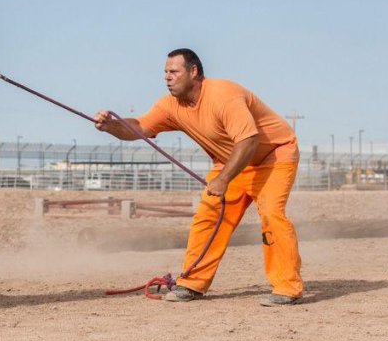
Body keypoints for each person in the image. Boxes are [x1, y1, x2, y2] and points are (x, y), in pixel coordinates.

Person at [95, 48, 304, 306]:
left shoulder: (224, 96)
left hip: (273, 155)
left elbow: (248, 140)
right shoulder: (170, 105)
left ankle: (287, 287)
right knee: (208, 215)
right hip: (232, 161)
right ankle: (192, 283)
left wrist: (223, 179)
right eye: (165, 73)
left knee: (272, 214)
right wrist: (111, 127)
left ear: (193, 72)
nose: (167, 78)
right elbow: (138, 127)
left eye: (174, 72)